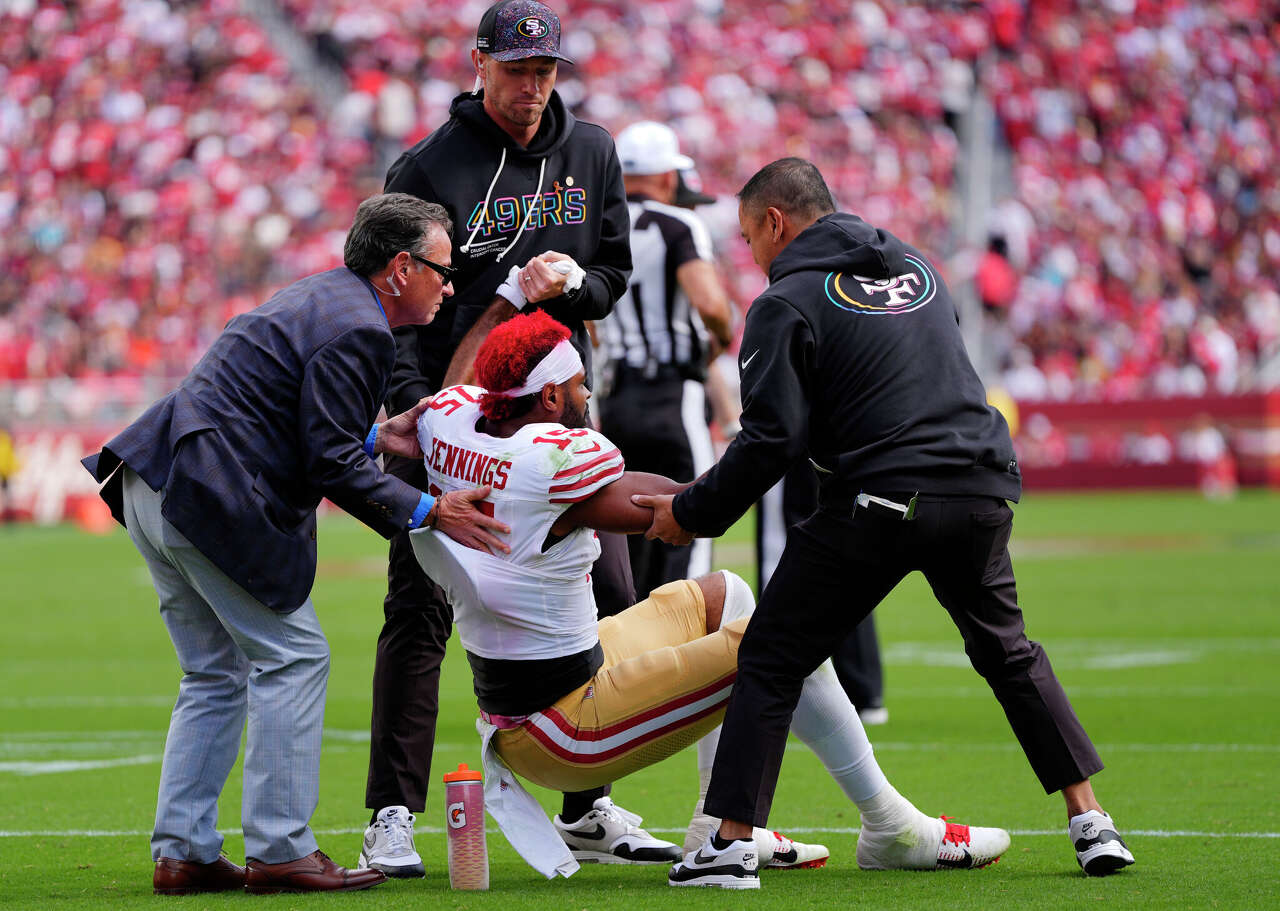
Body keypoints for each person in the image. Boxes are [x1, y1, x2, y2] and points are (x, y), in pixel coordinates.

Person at [637, 158, 1136, 885]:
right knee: (1010, 652)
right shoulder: (918, 267)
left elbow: (771, 437)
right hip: (980, 488)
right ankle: (1092, 820)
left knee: (772, 654)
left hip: (882, 499)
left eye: (750, 239)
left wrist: (690, 512)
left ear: (776, 221)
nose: (753, 255)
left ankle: (729, 844)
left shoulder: (787, 299)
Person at [409, 310, 1010, 886]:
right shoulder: (548, 463)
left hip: (534, 692)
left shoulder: (452, 419)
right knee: (788, 635)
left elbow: (410, 419)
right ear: (547, 399)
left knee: (728, 595)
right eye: (578, 384)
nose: (588, 395)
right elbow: (672, 506)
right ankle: (892, 827)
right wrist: (785, 444)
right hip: (563, 727)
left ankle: (713, 826)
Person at [80, 194, 508, 896]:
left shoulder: (325, 298)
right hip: (205, 489)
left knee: (215, 672)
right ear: (400, 268)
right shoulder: (361, 329)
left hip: (153, 474)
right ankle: (280, 847)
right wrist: (432, 509)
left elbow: (290, 414)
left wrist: (378, 434)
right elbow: (330, 462)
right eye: (441, 267)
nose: (450, 283)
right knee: (296, 654)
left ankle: (184, 848)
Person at [358, 0, 660, 878]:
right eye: (517, 70)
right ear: (479, 65)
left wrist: (576, 285)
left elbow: (614, 275)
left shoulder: (592, 150)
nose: (533, 88)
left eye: (546, 71)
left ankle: (588, 802)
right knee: (420, 605)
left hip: (556, 415)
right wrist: (416, 416)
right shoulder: (427, 166)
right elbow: (395, 308)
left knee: (603, 591)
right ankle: (391, 813)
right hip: (455, 410)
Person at [596, 121, 732, 599]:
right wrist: (716, 340)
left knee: (627, 534)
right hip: (673, 396)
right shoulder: (677, 223)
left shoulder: (597, 221)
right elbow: (711, 305)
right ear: (669, 176)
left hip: (614, 400)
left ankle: (631, 659)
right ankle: (685, 661)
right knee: (689, 524)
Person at [758, 462, 887, 724]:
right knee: (840, 545)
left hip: (805, 450)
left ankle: (774, 679)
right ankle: (861, 687)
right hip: (842, 452)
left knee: (790, 551)